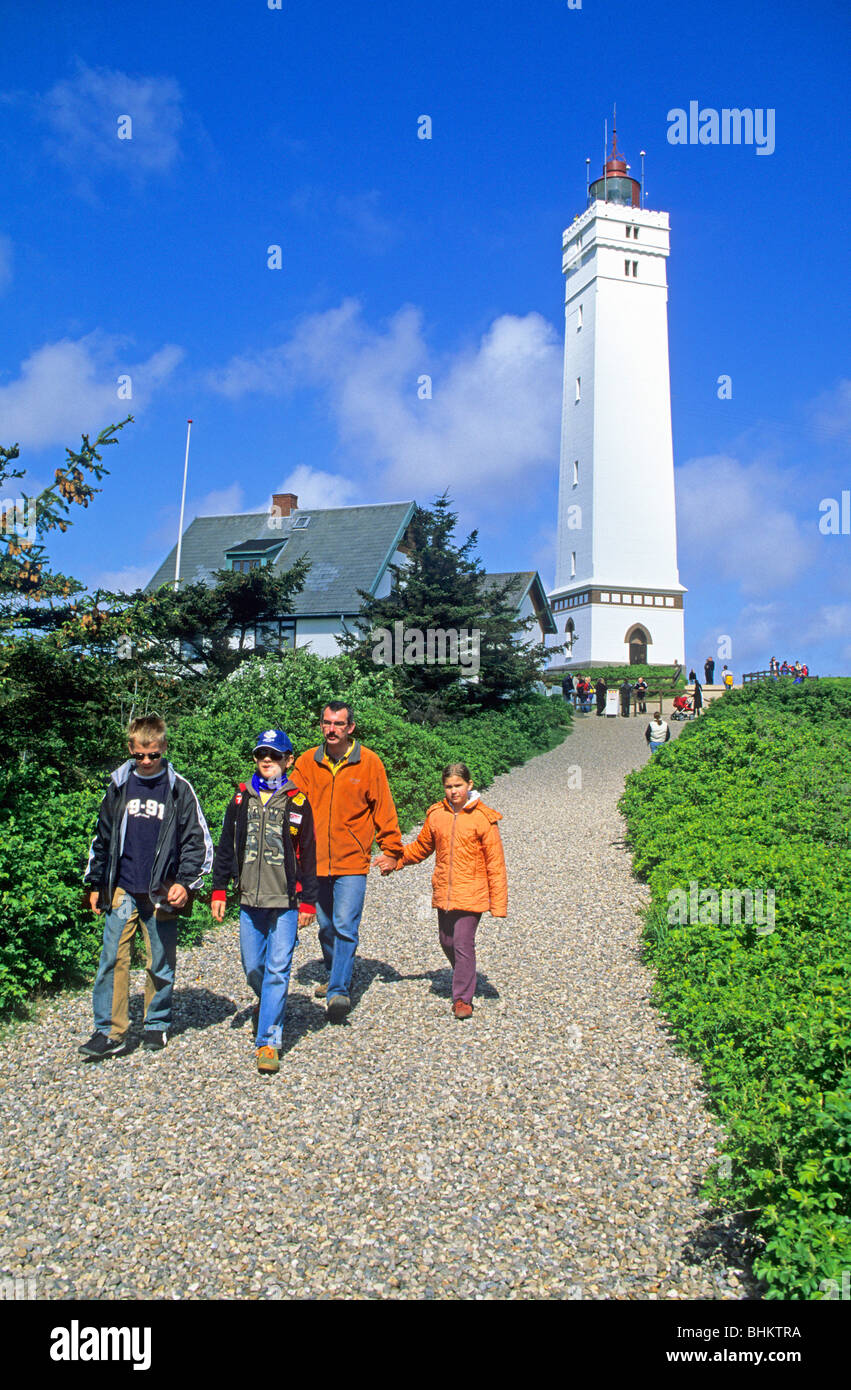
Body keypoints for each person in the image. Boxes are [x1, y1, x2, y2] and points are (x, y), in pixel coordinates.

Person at [79, 715, 213, 1060]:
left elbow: (197, 841)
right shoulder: (119, 784)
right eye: (140, 755)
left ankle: (157, 1022)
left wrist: (186, 882)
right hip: (122, 886)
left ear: (164, 748)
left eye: (153, 754)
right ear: (130, 749)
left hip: (160, 891)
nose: (147, 762)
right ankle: (110, 1030)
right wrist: (95, 882)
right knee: (112, 958)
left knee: (160, 960)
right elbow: (102, 836)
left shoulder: (178, 788)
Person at [210, 730, 318, 1075]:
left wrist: (308, 902)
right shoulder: (241, 798)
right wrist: (218, 890)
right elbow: (226, 846)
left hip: (285, 901)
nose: (266, 760)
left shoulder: (298, 801)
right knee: (252, 966)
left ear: (288, 759)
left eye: (274, 754)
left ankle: (268, 1040)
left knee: (277, 969)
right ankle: (273, 1001)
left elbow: (309, 855)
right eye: (261, 755)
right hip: (249, 901)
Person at [291, 701, 403, 1022]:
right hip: (315, 861)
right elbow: (290, 802)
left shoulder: (369, 763)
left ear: (350, 727)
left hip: (353, 860)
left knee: (344, 925)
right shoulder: (307, 762)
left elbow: (384, 808)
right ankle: (335, 971)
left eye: (339, 724)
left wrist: (392, 850)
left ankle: (338, 990)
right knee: (325, 927)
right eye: (327, 723)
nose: (332, 729)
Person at [374, 762, 507, 1019]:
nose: (453, 791)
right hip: (444, 891)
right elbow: (421, 848)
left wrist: (498, 904)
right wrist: (396, 860)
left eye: (458, 786)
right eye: (448, 787)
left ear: (470, 785)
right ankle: (466, 974)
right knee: (446, 941)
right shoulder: (437, 815)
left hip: (473, 893)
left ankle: (462, 999)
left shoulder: (484, 819)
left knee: (462, 943)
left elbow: (496, 864)